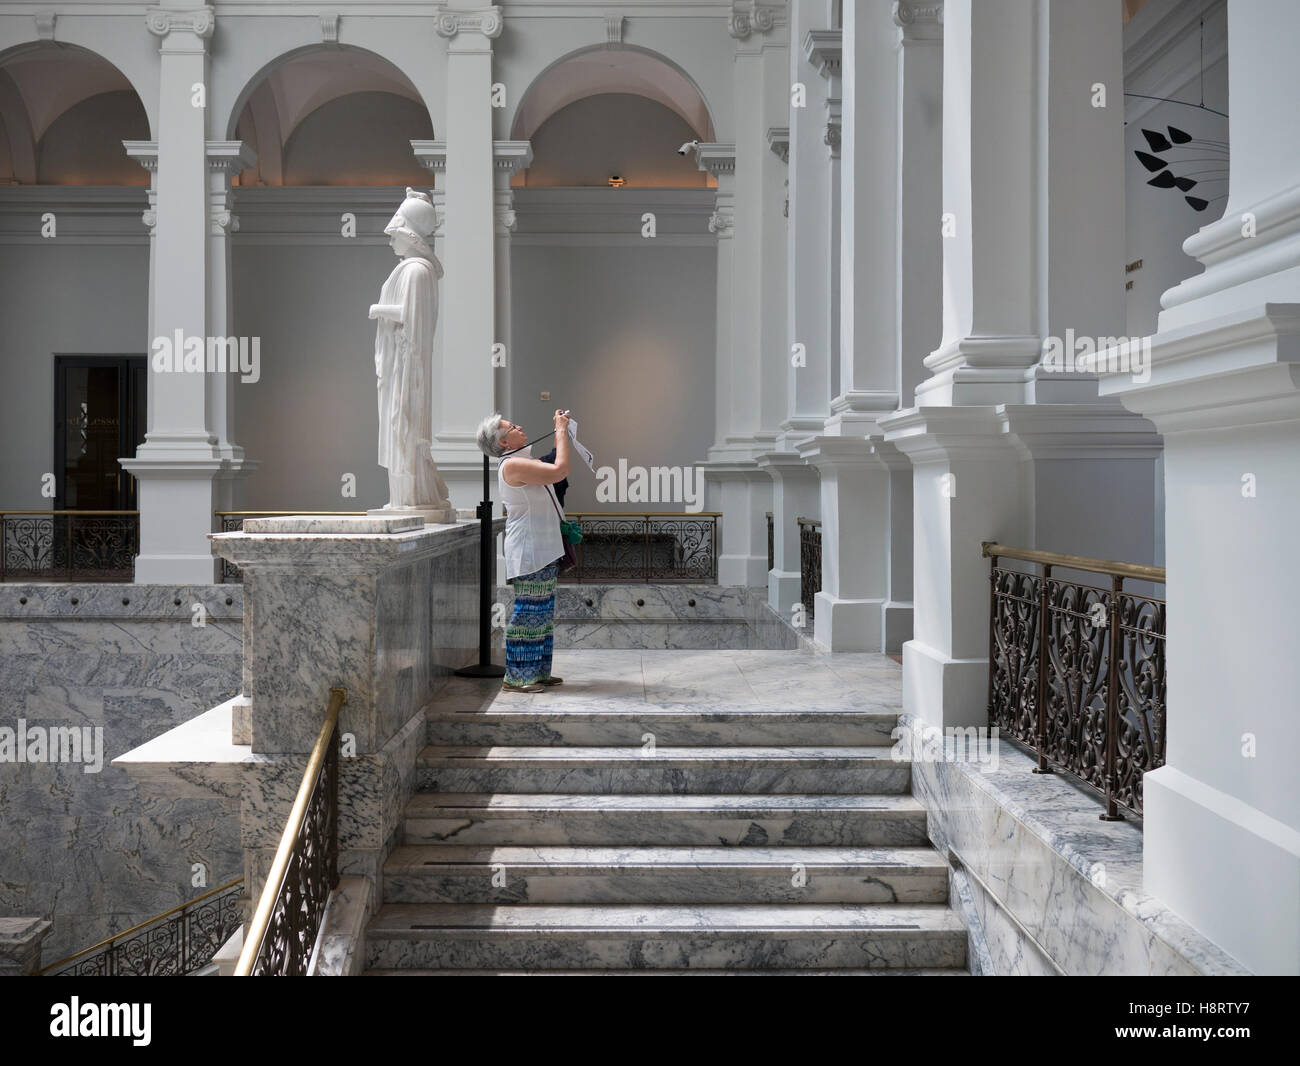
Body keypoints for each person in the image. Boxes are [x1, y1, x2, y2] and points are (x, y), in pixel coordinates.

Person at [476, 409, 571, 693]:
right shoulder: (513, 465)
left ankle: (538, 672)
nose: (520, 427)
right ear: (504, 442)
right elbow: (560, 471)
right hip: (529, 548)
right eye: (513, 426)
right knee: (528, 611)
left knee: (542, 612)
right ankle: (517, 677)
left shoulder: (520, 461)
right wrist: (561, 431)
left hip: (542, 545)